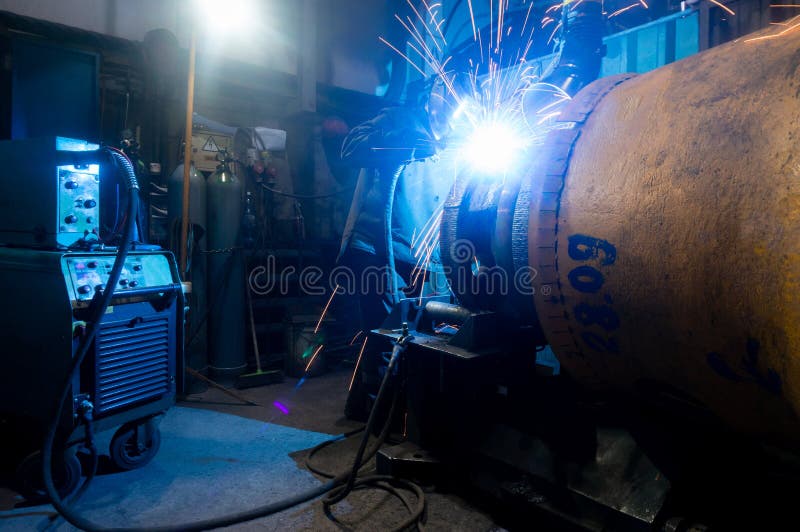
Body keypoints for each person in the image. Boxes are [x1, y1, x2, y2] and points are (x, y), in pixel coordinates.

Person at [337, 76, 458, 332]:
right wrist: (402, 141)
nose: (452, 105)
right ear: (430, 99)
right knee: (387, 337)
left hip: (425, 258)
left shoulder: (461, 142)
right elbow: (350, 148)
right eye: (446, 95)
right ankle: (376, 372)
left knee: (423, 340)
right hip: (379, 249)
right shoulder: (399, 119)